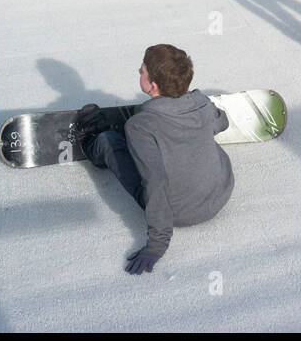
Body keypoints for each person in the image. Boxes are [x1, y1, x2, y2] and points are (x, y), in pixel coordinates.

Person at [73, 44, 235, 276]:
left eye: (143, 70)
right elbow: (223, 123)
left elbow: (155, 181)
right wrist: (201, 113)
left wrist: (157, 244)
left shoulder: (140, 126)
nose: (139, 70)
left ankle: (93, 143)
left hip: (179, 211)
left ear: (154, 85)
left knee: (109, 141)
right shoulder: (203, 104)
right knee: (200, 137)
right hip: (220, 194)